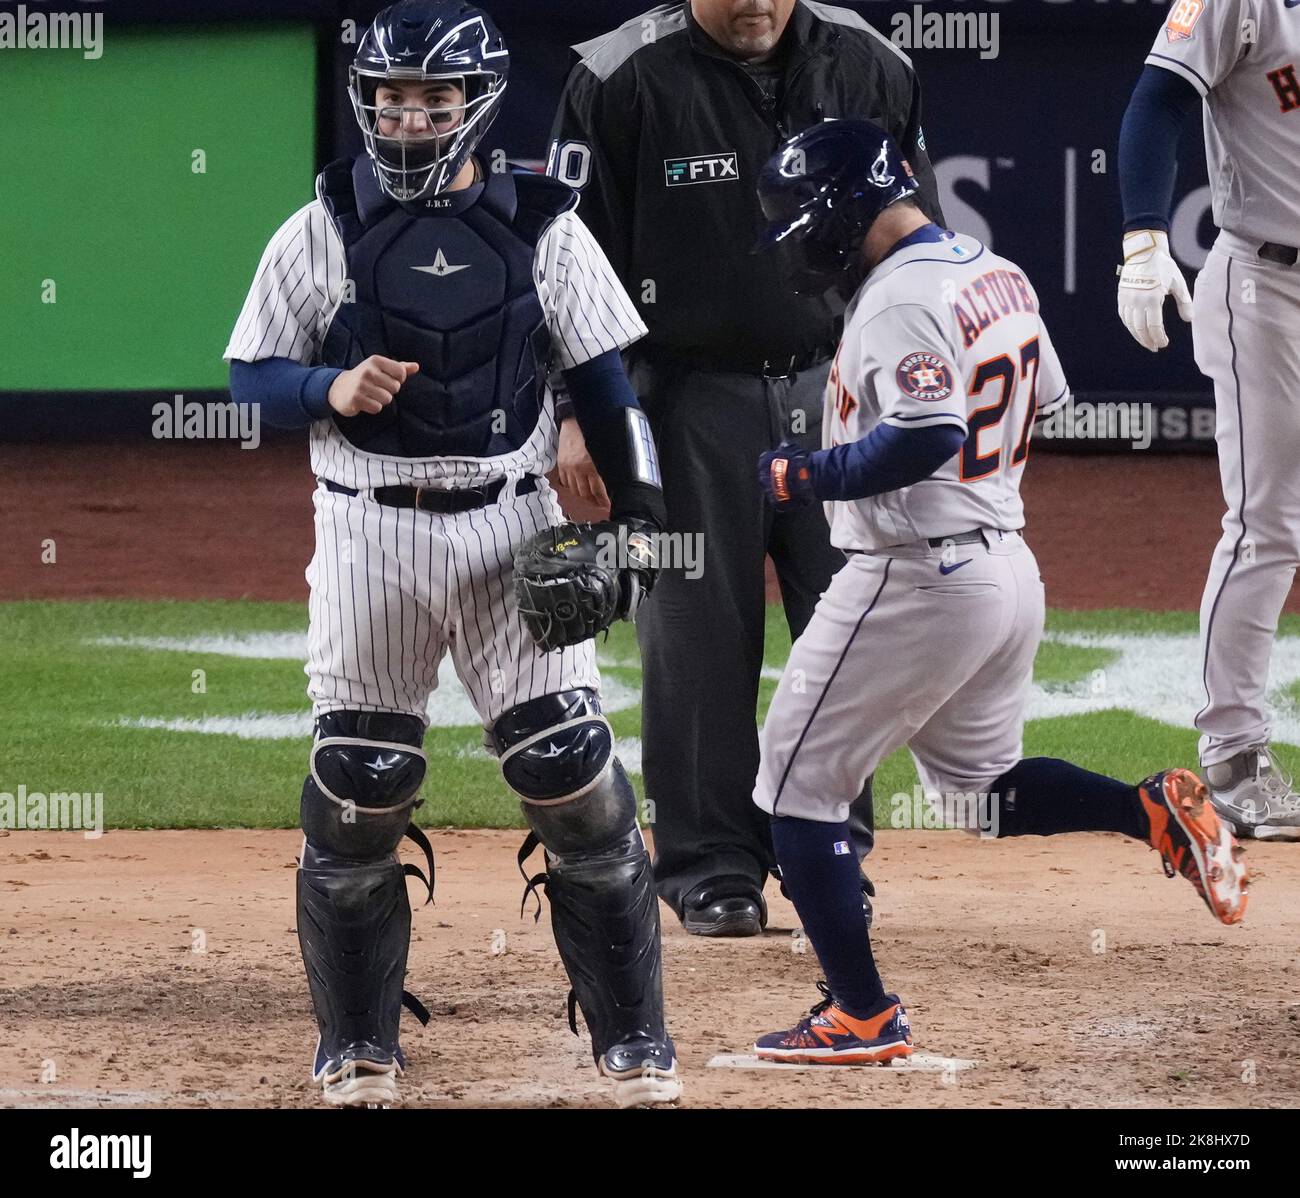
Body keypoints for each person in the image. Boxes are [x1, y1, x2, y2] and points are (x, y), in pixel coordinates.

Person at [223, 0, 680, 1108]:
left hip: (506, 522)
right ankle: (358, 1043)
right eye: (388, 96)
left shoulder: (544, 229)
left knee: (571, 775)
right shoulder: (321, 227)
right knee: (358, 784)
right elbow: (247, 374)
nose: (407, 116)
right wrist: (326, 387)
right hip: (368, 523)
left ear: (475, 104)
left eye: (430, 96)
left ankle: (634, 1040)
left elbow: (609, 387)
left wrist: (638, 522)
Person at [747, 120, 1248, 1063]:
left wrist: (799, 478)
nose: (794, 241)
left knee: (795, 789)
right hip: (1003, 567)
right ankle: (1145, 809)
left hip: (915, 574)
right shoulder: (995, 267)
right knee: (978, 794)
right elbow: (1044, 400)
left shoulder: (896, 300)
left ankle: (860, 1012)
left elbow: (929, 430)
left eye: (799, 219)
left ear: (845, 209)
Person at [547, 0, 946, 937]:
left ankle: (828, 852)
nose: (759, 3)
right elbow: (565, 257)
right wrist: (574, 413)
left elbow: (913, 234)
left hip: (840, 387)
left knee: (849, 630)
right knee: (693, 641)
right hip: (684, 399)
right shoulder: (618, 77)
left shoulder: (871, 62)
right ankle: (707, 867)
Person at [1117, 0, 1300, 841]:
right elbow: (1157, 99)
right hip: (1270, 284)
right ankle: (1231, 757)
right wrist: (1144, 239)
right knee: (1269, 524)